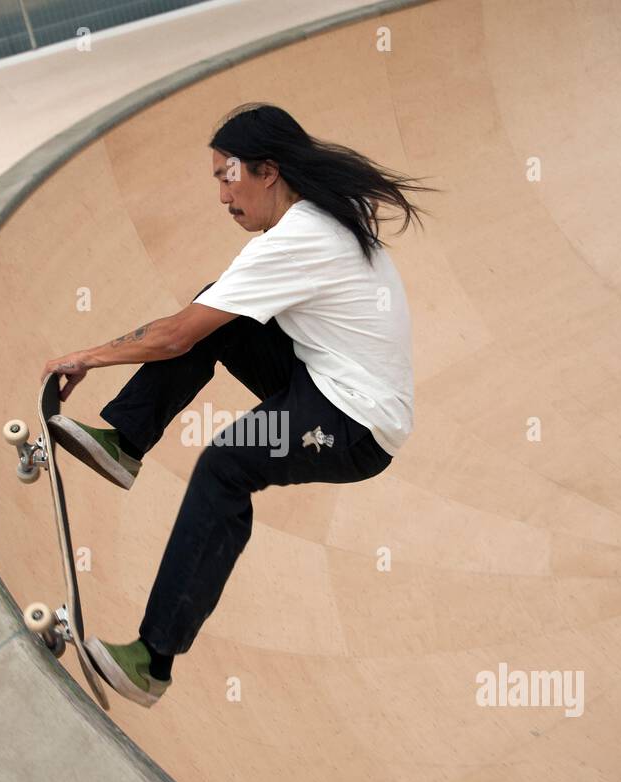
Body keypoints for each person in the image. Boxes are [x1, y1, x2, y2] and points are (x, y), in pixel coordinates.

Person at [41, 103, 434, 707]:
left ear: (268, 170)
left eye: (229, 176)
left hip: (355, 423)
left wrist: (86, 358)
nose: (224, 197)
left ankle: (153, 660)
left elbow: (174, 336)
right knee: (218, 312)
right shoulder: (320, 218)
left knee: (229, 462)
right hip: (323, 380)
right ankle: (124, 441)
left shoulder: (301, 237)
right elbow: (193, 327)